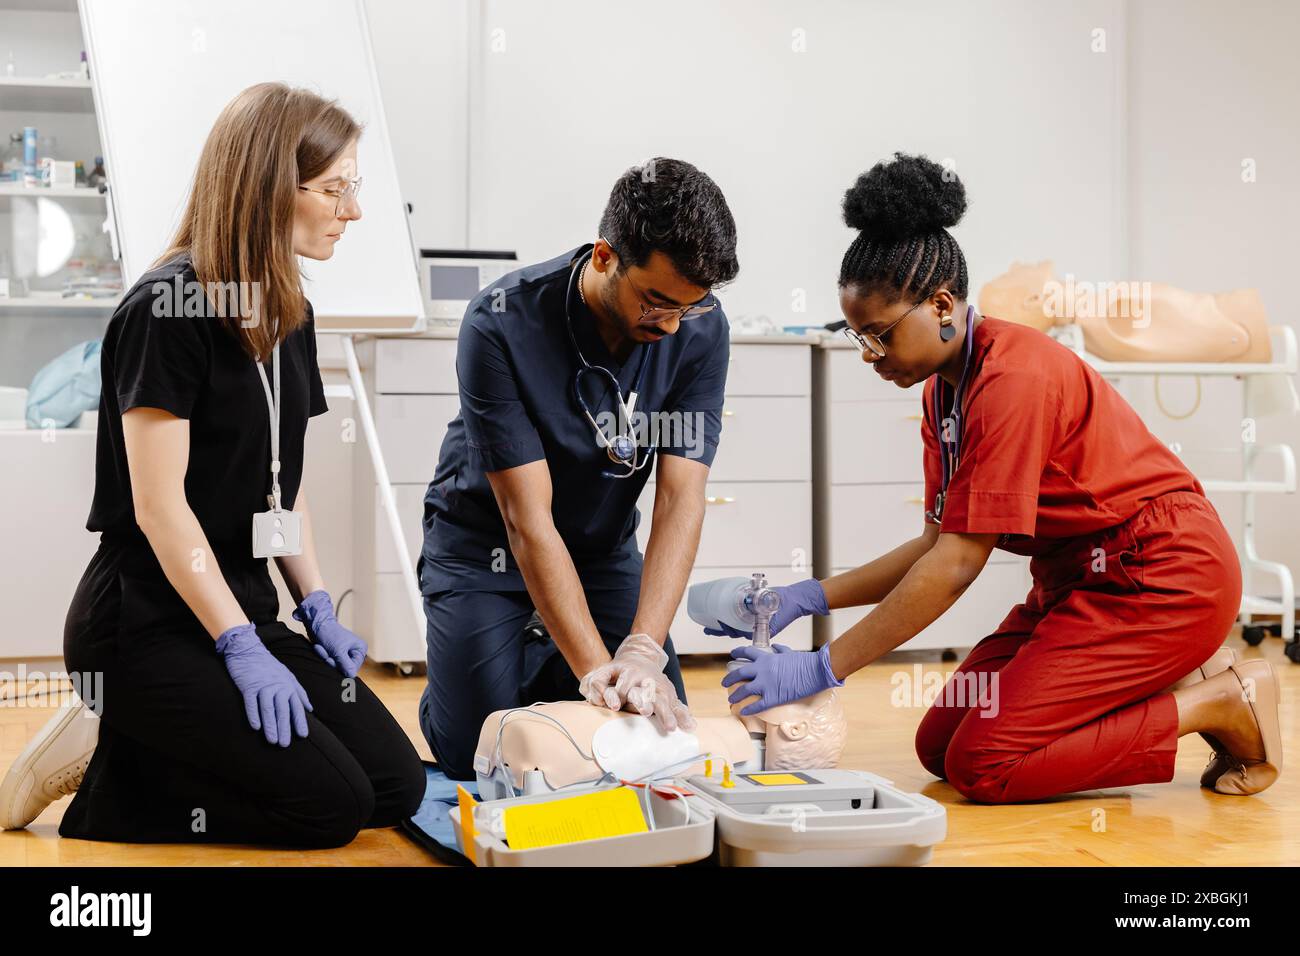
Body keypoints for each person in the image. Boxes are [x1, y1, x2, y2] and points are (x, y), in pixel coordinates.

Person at [716, 152, 1280, 804]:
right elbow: (935, 544)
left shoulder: (1013, 376)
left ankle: (1221, 702)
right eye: (858, 338)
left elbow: (956, 566)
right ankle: (1162, 680)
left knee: (986, 765)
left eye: (879, 335)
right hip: (1077, 582)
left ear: (943, 304)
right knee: (939, 745)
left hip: (1161, 577)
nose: (870, 355)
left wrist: (825, 666)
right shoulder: (942, 397)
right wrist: (808, 597)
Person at [0, 83, 425, 845]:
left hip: (246, 611)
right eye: (335, 190)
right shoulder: (165, 311)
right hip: (145, 624)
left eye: (351, 189)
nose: (352, 211)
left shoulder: (289, 310)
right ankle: (112, 776)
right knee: (330, 807)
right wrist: (237, 646)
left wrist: (317, 605)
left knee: (394, 784)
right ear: (268, 187)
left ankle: (145, 736)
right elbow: (161, 509)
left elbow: (281, 491)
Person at [418, 158, 739, 780]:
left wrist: (642, 650)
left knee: (656, 723)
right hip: (486, 544)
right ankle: (493, 664)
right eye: (655, 302)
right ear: (603, 257)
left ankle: (542, 654)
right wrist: (597, 672)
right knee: (474, 753)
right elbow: (526, 520)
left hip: (599, 548)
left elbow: (680, 499)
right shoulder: (501, 321)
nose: (671, 324)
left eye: (688, 308)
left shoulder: (699, 328)